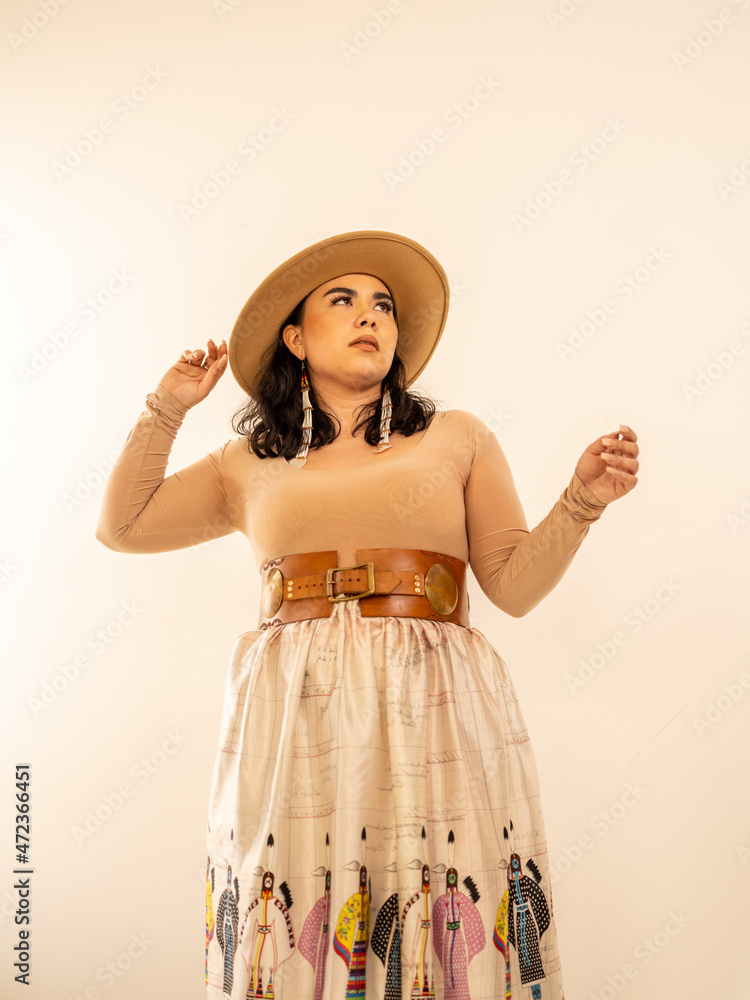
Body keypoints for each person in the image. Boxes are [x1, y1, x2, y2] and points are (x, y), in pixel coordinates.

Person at [96, 230, 639, 1000]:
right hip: (295, 719)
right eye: (342, 301)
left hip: (434, 712)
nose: (370, 317)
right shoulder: (247, 463)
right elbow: (122, 527)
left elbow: (512, 587)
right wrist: (168, 407)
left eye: (383, 306)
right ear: (296, 336)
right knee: (296, 923)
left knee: (436, 918)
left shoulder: (455, 438)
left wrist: (581, 501)